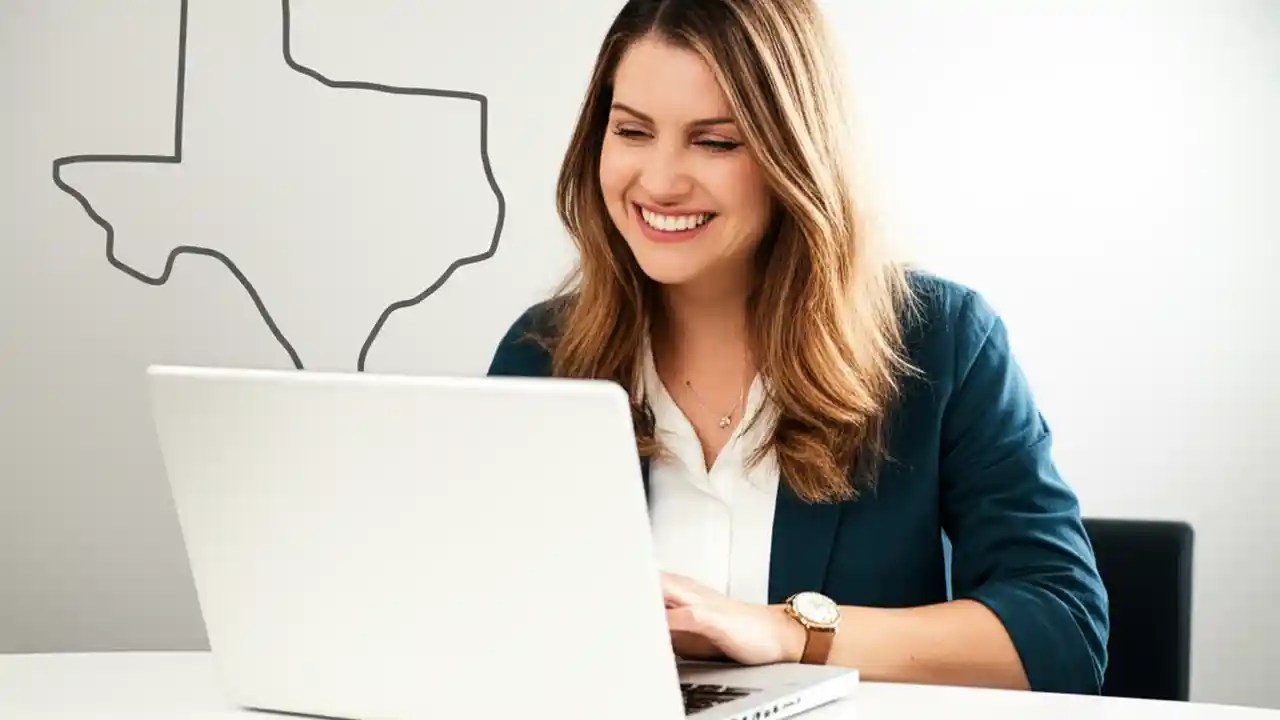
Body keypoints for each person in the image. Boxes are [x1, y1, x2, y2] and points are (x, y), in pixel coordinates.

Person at [487, 0, 1108, 695]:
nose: (659, 181)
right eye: (632, 131)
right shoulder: (543, 358)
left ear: (795, 152)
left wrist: (788, 632)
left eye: (715, 142)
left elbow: (1062, 633)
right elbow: (478, 615)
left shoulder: (940, 342)